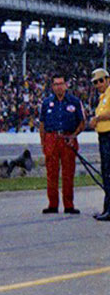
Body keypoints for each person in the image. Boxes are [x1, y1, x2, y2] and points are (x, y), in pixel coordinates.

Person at [38, 73, 84, 214]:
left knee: (68, 173)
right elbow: (42, 124)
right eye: (56, 84)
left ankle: (69, 205)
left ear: (66, 85)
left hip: (67, 138)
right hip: (51, 138)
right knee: (51, 173)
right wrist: (43, 143)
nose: (59, 87)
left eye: (61, 83)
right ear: (52, 86)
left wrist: (73, 136)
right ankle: (53, 204)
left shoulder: (74, 102)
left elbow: (82, 122)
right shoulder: (46, 103)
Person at [89, 68, 110, 221]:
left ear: (107, 79)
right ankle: (106, 208)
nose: (98, 84)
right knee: (106, 173)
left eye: (100, 80)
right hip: (103, 137)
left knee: (108, 173)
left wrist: (97, 118)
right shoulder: (103, 97)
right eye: (95, 82)